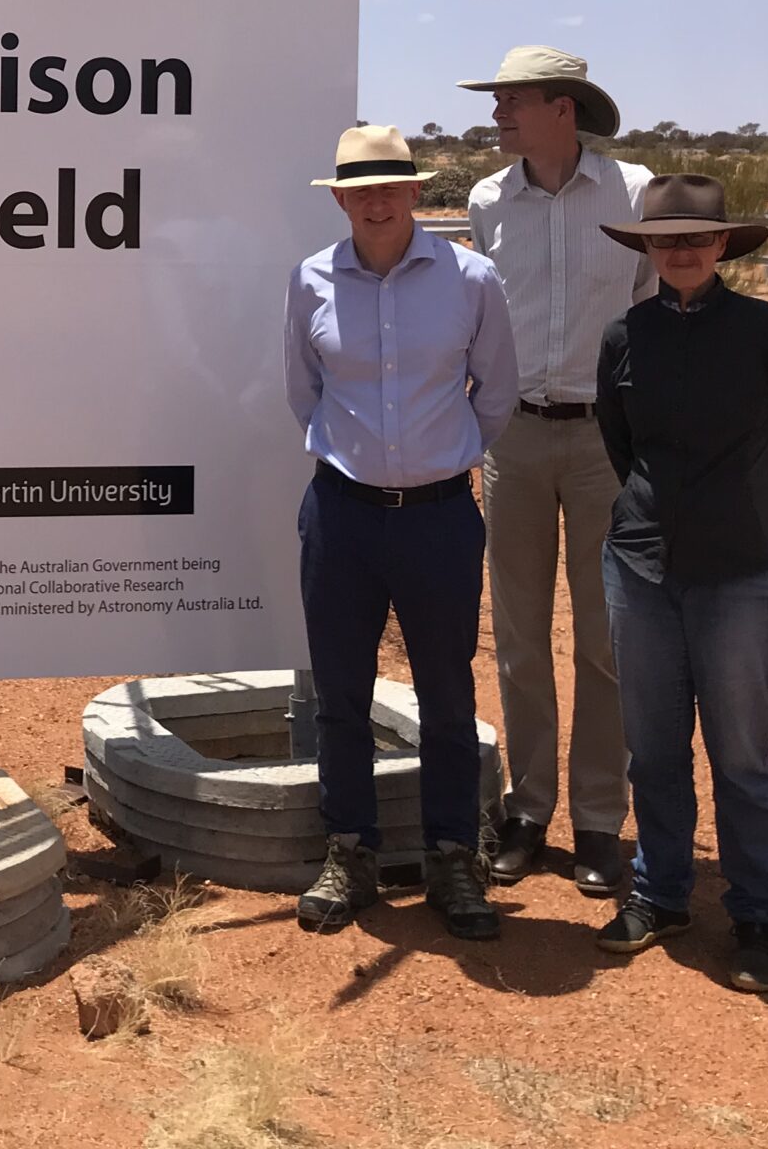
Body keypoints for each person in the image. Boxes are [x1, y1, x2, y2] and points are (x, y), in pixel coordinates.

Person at [592, 175, 768, 994]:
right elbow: (622, 446)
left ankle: (758, 914)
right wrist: (662, 517)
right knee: (653, 752)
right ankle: (660, 896)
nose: (682, 251)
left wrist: (757, 515)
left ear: (724, 245)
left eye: (697, 238)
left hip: (746, 575)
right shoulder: (624, 336)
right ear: (647, 252)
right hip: (642, 568)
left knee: (741, 756)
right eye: (666, 241)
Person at [287, 125, 519, 941]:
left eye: (392, 186)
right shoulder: (311, 280)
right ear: (341, 198)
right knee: (341, 695)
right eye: (361, 188)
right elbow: (303, 391)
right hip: (342, 516)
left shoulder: (471, 279)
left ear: (416, 192)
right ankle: (349, 851)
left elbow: (496, 394)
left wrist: (436, 461)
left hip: (438, 520)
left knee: (447, 697)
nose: (377, 201)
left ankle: (453, 857)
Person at [460, 46, 654, 897]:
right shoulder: (486, 202)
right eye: (497, 100)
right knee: (519, 636)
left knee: (607, 638)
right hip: (513, 438)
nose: (498, 114)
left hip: (606, 442)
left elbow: (653, 311)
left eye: (513, 100)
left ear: (563, 109)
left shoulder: (635, 193)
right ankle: (530, 810)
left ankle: (601, 823)